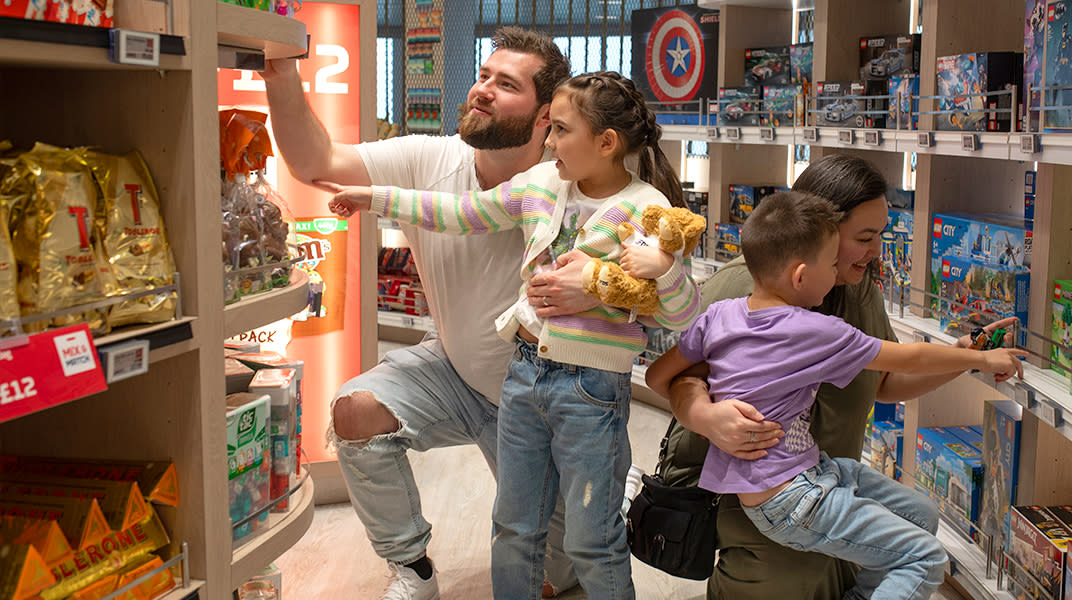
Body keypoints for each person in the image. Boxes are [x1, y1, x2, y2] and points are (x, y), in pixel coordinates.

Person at [323, 70, 703, 600]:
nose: (547, 142)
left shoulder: (648, 212)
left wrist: (662, 271)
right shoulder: (541, 184)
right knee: (513, 529)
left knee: (593, 541)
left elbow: (682, 316)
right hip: (524, 375)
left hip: (590, 392)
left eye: (561, 130)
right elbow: (460, 214)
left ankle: (618, 489)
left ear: (606, 142)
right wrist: (374, 198)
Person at [262, 27, 588, 600]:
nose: (481, 90)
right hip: (458, 372)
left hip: (544, 404)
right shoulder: (429, 158)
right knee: (356, 411)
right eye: (483, 76)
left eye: (505, 84)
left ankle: (610, 490)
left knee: (563, 577)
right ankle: (411, 568)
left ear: (544, 117)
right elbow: (316, 161)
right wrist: (280, 68)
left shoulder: (578, 186)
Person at [660, 153, 1019, 600]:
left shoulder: (857, 287)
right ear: (817, 234)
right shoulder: (746, 288)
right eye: (864, 237)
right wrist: (707, 415)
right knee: (803, 581)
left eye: (882, 236)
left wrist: (963, 357)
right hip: (750, 490)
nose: (876, 252)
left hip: (824, 478)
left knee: (904, 532)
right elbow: (676, 377)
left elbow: (884, 382)